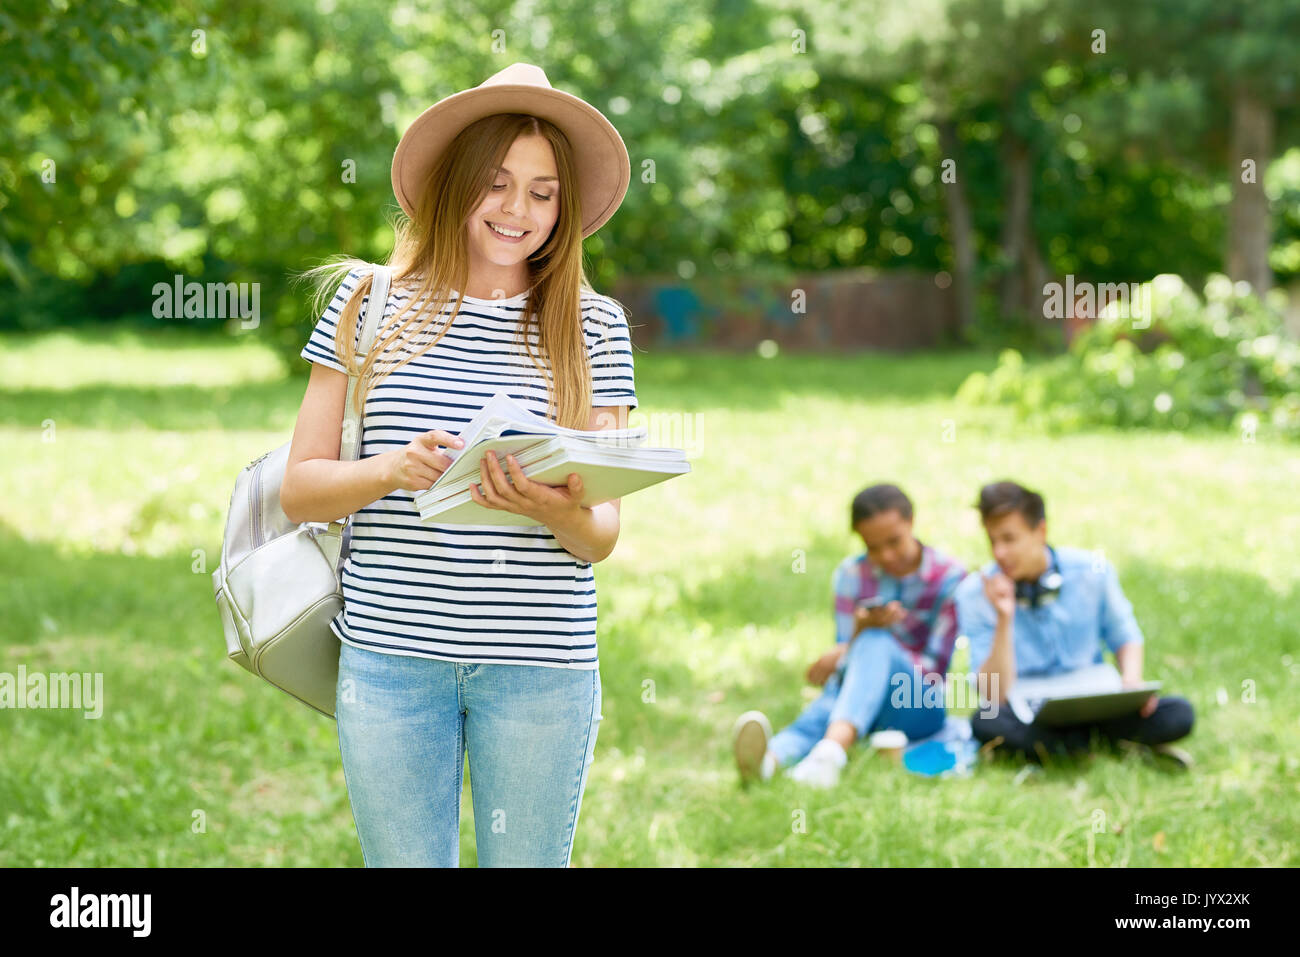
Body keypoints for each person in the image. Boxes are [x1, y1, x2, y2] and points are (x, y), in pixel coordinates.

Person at [279, 63, 637, 866]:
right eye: (497, 183)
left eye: (543, 192)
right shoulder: (367, 304)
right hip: (391, 661)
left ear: (565, 206)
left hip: (541, 667)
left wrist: (549, 505)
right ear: (453, 184)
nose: (518, 210)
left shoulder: (595, 327)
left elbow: (602, 534)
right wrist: (389, 471)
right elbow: (299, 490)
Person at [732, 484, 967, 788]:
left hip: (918, 701)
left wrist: (871, 642)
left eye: (894, 542)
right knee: (821, 711)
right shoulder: (851, 575)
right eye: (873, 547)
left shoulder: (949, 577)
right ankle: (768, 764)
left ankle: (830, 753)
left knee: (876, 642)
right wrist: (858, 634)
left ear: (911, 522)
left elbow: (935, 668)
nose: (886, 555)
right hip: (858, 697)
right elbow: (847, 669)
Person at [954, 480, 1195, 767]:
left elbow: (1124, 635)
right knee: (986, 721)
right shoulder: (974, 593)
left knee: (1179, 713)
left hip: (1093, 697)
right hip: (1027, 707)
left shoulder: (1093, 571)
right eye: (993, 541)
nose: (999, 553)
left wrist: (1131, 681)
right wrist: (1004, 619)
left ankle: (1067, 748)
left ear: (1040, 531)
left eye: (1009, 539)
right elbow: (995, 693)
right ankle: (1106, 745)